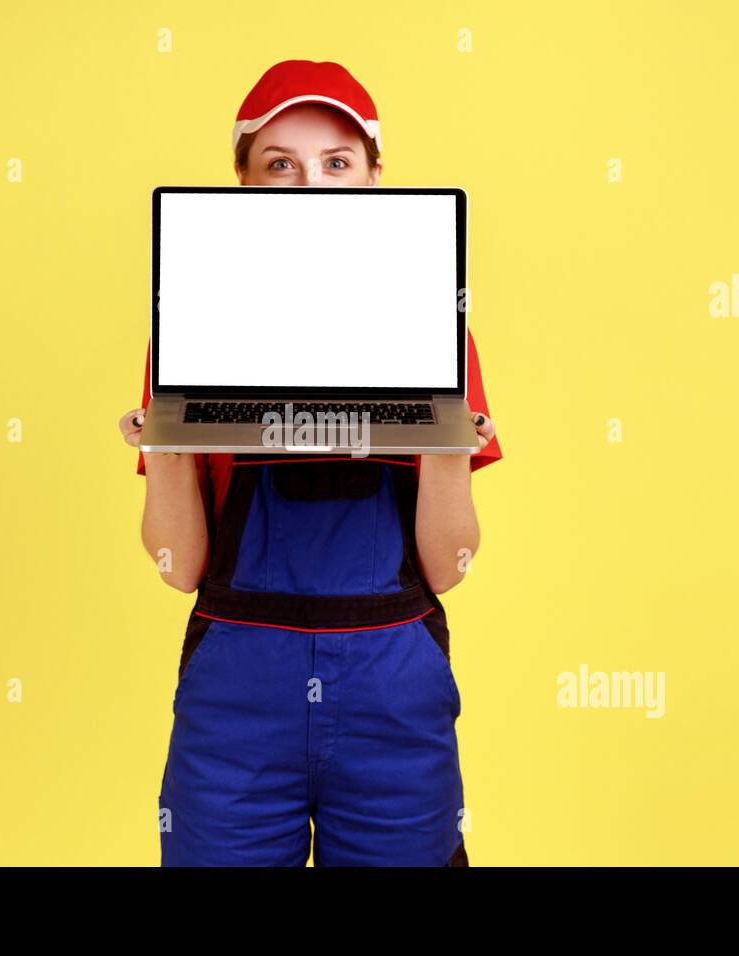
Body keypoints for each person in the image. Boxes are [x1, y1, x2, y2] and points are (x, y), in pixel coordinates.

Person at [119, 60, 502, 866]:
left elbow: (451, 563)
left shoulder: (438, 334)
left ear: (373, 178)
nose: (311, 184)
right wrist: (165, 439)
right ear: (243, 184)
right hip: (235, 707)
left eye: (336, 162)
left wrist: (445, 448)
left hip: (393, 697)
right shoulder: (188, 337)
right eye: (280, 165)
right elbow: (178, 565)